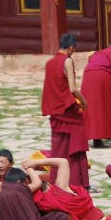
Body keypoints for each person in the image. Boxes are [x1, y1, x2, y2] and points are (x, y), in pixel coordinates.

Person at [25, 157, 111, 220]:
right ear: (49, 184)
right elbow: (63, 162)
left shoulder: (45, 204)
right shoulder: (60, 190)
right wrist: (34, 164)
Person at [41, 33, 90, 189]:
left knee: (58, 147)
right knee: (75, 145)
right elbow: (72, 88)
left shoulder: (50, 63)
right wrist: (83, 100)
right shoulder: (67, 61)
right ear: (70, 47)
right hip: (68, 110)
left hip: (55, 110)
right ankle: (75, 180)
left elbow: (50, 88)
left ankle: (57, 178)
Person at [81, 42, 111, 148]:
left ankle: (96, 140)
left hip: (87, 77)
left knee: (93, 109)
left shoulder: (99, 53)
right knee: (109, 108)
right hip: (103, 76)